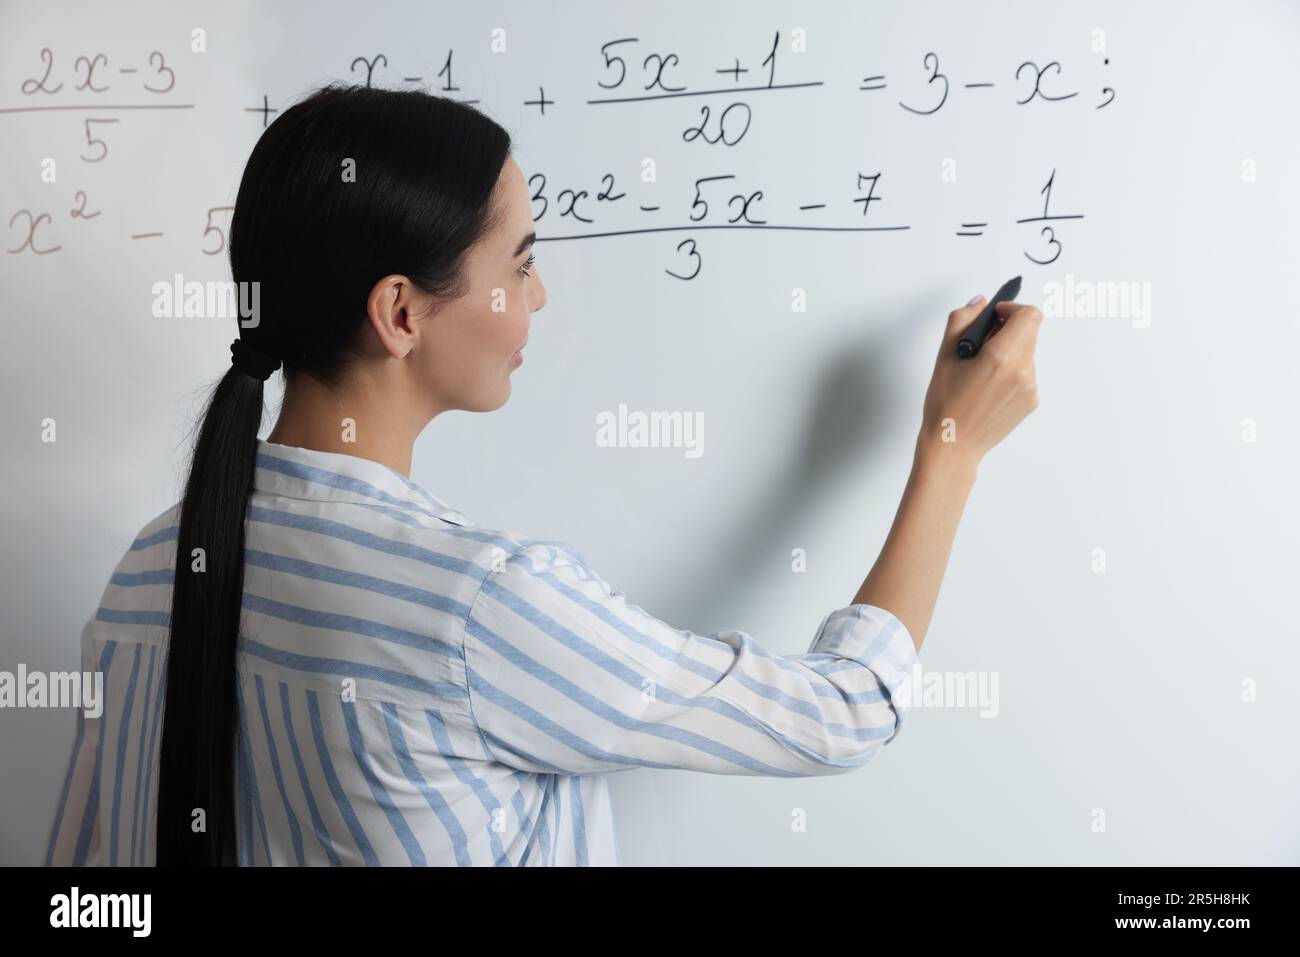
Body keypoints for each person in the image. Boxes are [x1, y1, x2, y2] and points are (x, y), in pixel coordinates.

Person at [44, 83, 1041, 867]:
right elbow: (840, 714)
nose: (539, 293)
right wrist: (950, 449)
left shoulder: (149, 569)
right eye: (519, 262)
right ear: (400, 313)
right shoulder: (482, 609)